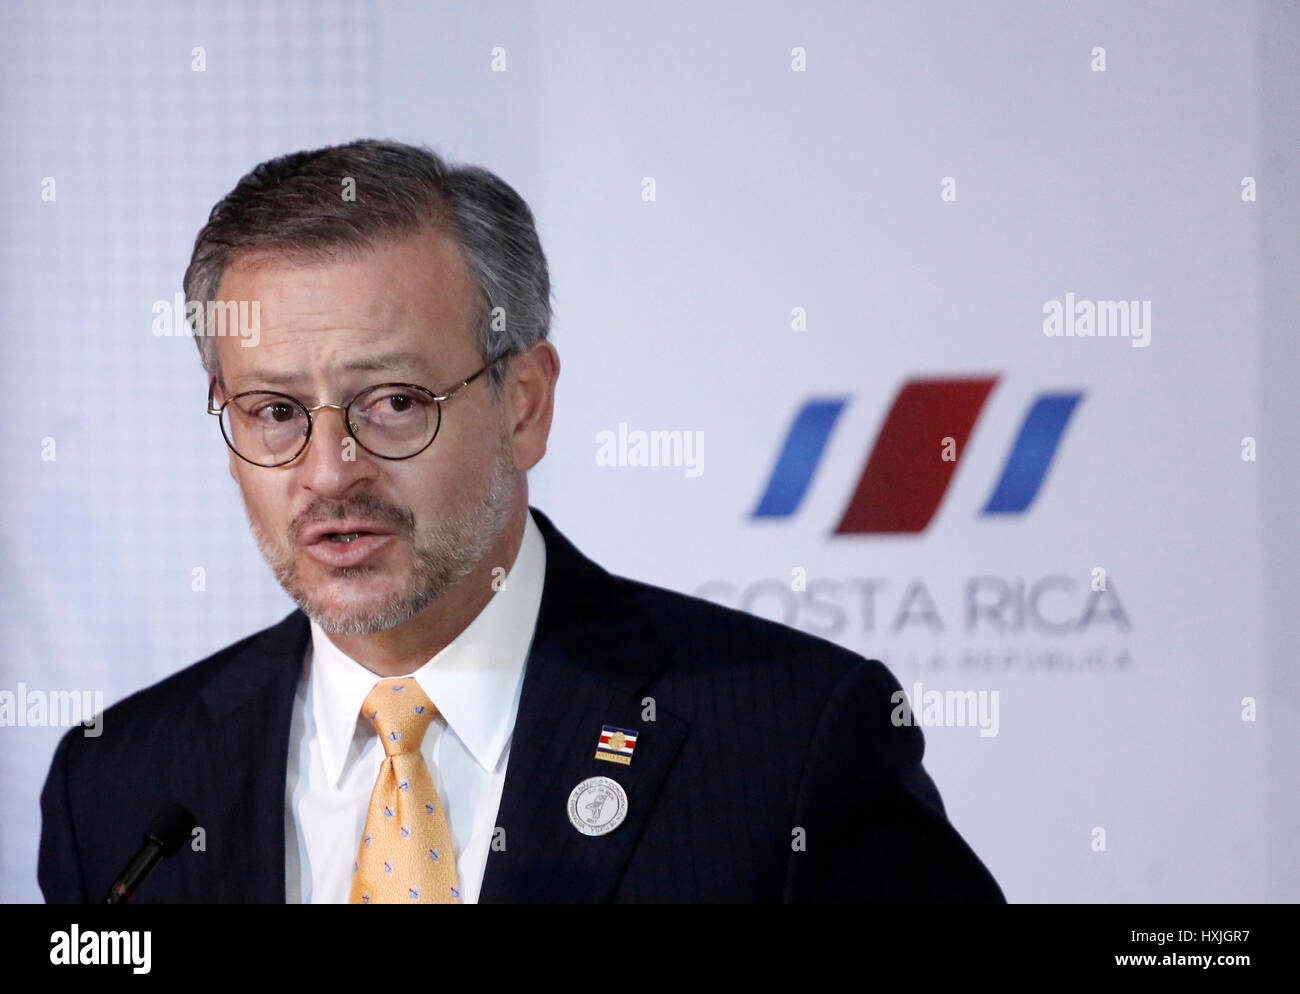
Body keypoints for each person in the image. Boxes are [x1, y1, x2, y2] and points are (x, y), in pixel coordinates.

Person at [38, 139, 1004, 903]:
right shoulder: (117, 785)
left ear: (524, 403)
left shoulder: (789, 745)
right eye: (275, 413)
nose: (330, 472)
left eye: (395, 401)